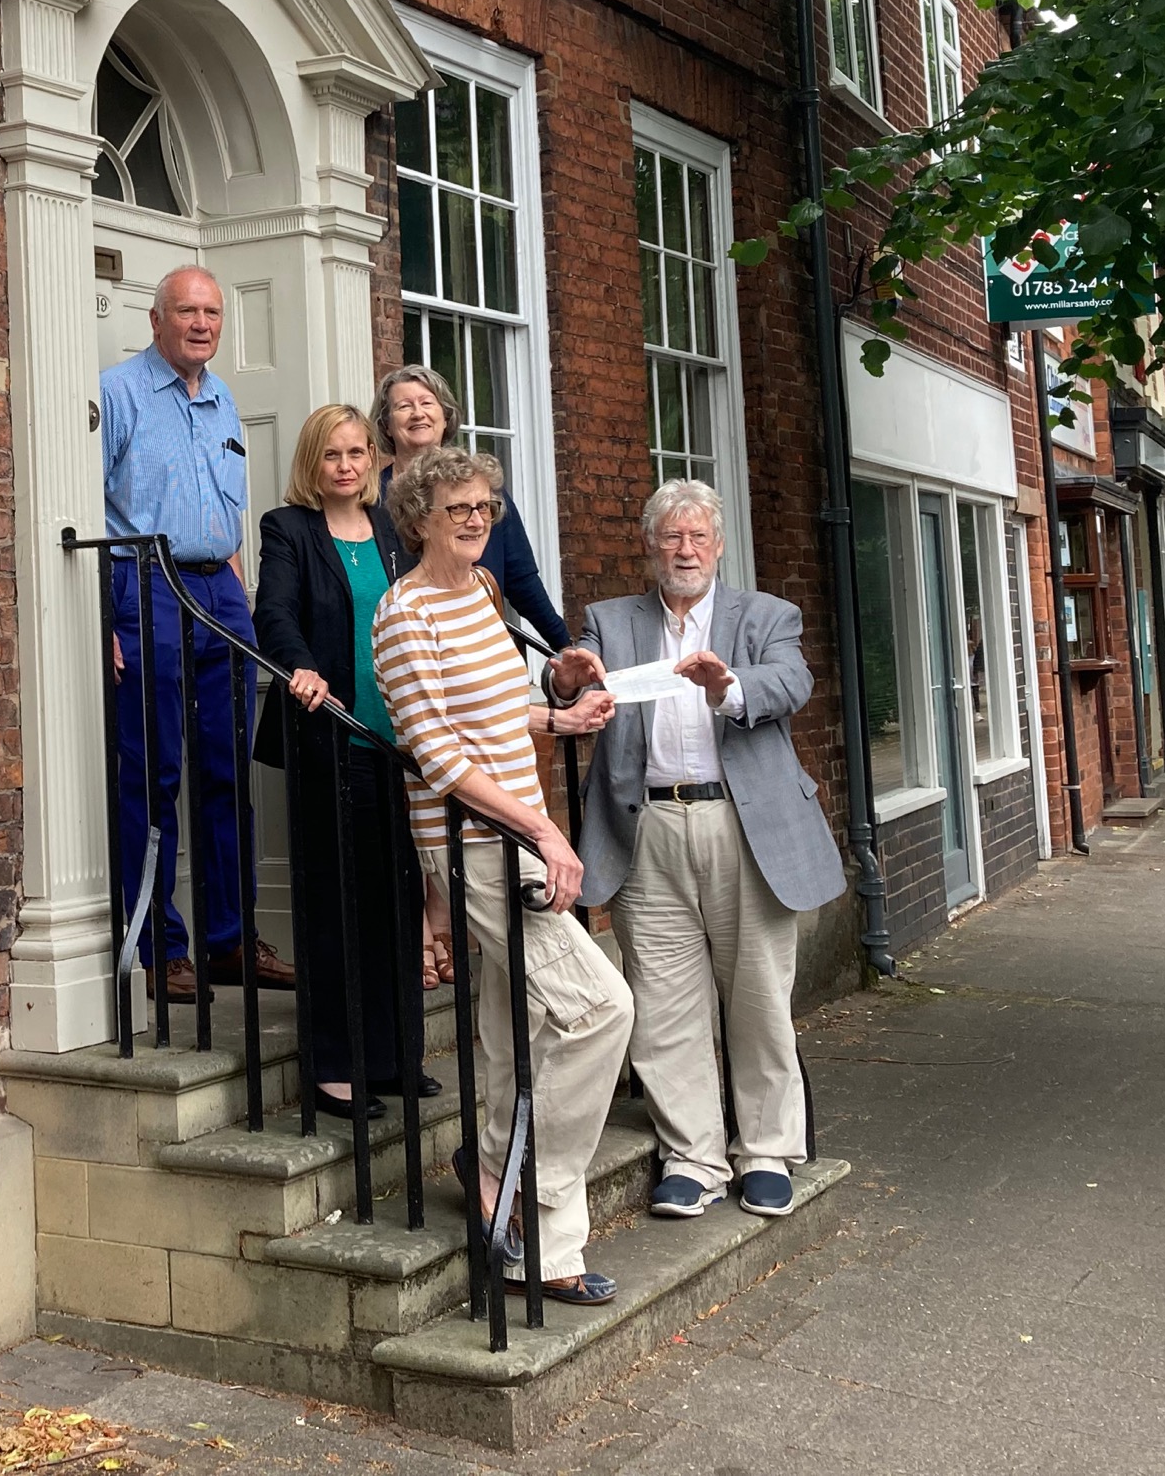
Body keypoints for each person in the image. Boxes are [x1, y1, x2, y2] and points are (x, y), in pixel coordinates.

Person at [549, 479, 845, 1221]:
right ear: (649, 546)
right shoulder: (609, 620)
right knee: (662, 1004)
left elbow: (792, 682)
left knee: (758, 999)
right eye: (671, 536)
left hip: (743, 827)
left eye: (697, 537)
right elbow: (571, 685)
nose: (685, 549)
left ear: (718, 545)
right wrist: (565, 680)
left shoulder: (766, 616)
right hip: (646, 827)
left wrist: (729, 686)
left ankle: (766, 1151)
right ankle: (692, 1158)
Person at [372, 446, 627, 1306]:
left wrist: (559, 719)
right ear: (419, 520)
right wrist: (544, 831)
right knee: (600, 1009)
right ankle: (515, 1185)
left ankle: (518, 1207)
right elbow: (437, 755)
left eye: (485, 506)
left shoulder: (483, 591)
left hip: (513, 830)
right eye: (459, 508)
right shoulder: (403, 615)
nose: (477, 519)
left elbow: (497, 711)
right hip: (479, 842)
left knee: (515, 1028)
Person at [102, 267, 295, 997]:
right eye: (186, 311)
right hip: (145, 584)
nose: (202, 324)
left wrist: (238, 590)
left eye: (212, 312)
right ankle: (160, 947)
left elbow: (224, 508)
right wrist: (103, 618)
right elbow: (85, 507)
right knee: (154, 771)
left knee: (228, 772)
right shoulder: (116, 394)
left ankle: (229, 940)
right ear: (156, 320)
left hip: (221, 587)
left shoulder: (223, 399)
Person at [253, 406, 438, 1115]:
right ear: (313, 460)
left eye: (358, 453)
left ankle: (393, 1057)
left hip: (400, 745)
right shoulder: (288, 529)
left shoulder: (393, 530)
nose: (346, 466)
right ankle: (333, 1067)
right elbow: (274, 613)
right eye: (332, 454)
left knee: (396, 901)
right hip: (331, 736)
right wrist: (299, 665)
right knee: (336, 906)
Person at [372, 364, 583, 655]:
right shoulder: (372, 500)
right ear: (386, 425)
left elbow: (522, 579)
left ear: (446, 417)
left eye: (427, 403)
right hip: (411, 646)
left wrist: (563, 644)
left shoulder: (484, 492)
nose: (418, 413)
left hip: (482, 646)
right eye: (404, 406)